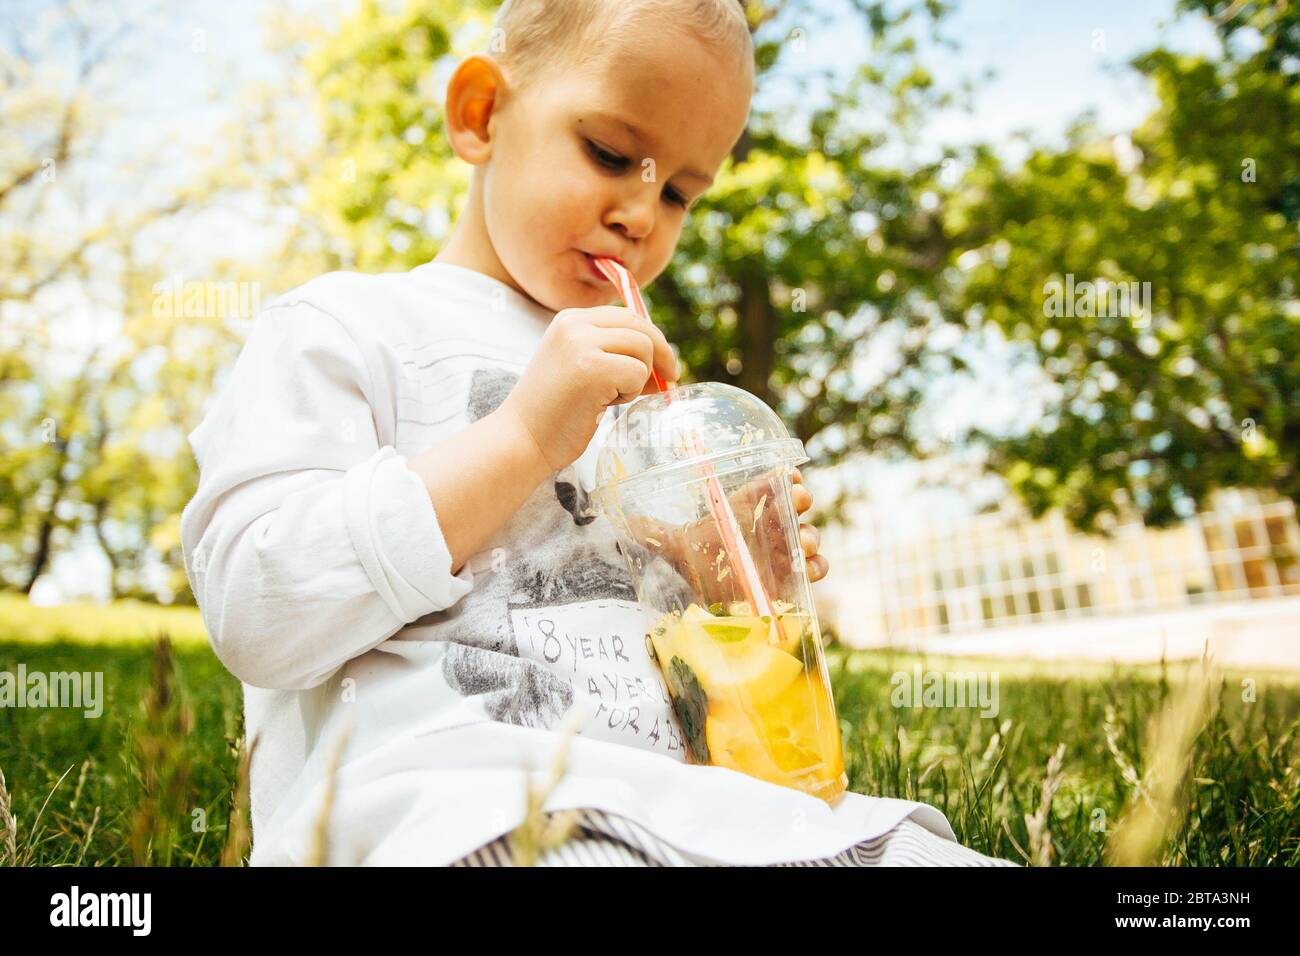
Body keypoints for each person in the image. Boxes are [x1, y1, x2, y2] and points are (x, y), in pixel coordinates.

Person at [180, 0, 1017, 867]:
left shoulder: (648, 395)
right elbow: (257, 608)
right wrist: (524, 439)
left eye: (681, 192)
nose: (641, 213)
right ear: (482, 115)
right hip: (467, 807)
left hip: (717, 815)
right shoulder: (346, 326)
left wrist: (721, 564)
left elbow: (682, 643)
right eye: (611, 155)